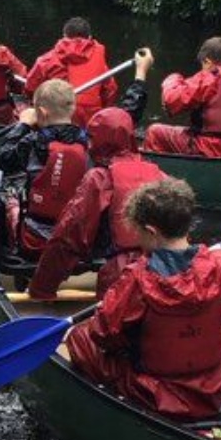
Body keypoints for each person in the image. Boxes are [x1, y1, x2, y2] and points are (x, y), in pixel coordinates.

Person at [64, 178, 221, 420]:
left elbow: (102, 335)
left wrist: (113, 315)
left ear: (152, 231)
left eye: (139, 232)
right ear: (187, 225)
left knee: (79, 338)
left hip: (151, 393)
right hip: (211, 392)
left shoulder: (136, 278)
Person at [26, 48, 162, 300]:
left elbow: (68, 239)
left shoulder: (99, 179)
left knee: (86, 340)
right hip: (163, 274)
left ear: (95, 142)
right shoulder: (161, 175)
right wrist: (141, 74)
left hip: (119, 276)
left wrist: (41, 290)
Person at [0, 79, 89, 258]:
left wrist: (22, 125)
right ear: (73, 109)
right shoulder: (88, 145)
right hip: (71, 240)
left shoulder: (33, 142)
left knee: (6, 197)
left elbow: (3, 158)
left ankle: (5, 254)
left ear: (41, 113)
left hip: (33, 242)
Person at [23, 17, 118, 127]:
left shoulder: (46, 60)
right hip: (91, 120)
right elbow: (111, 90)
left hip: (58, 119)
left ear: (64, 36)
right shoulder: (100, 62)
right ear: (90, 38)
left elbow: (30, 88)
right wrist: (102, 112)